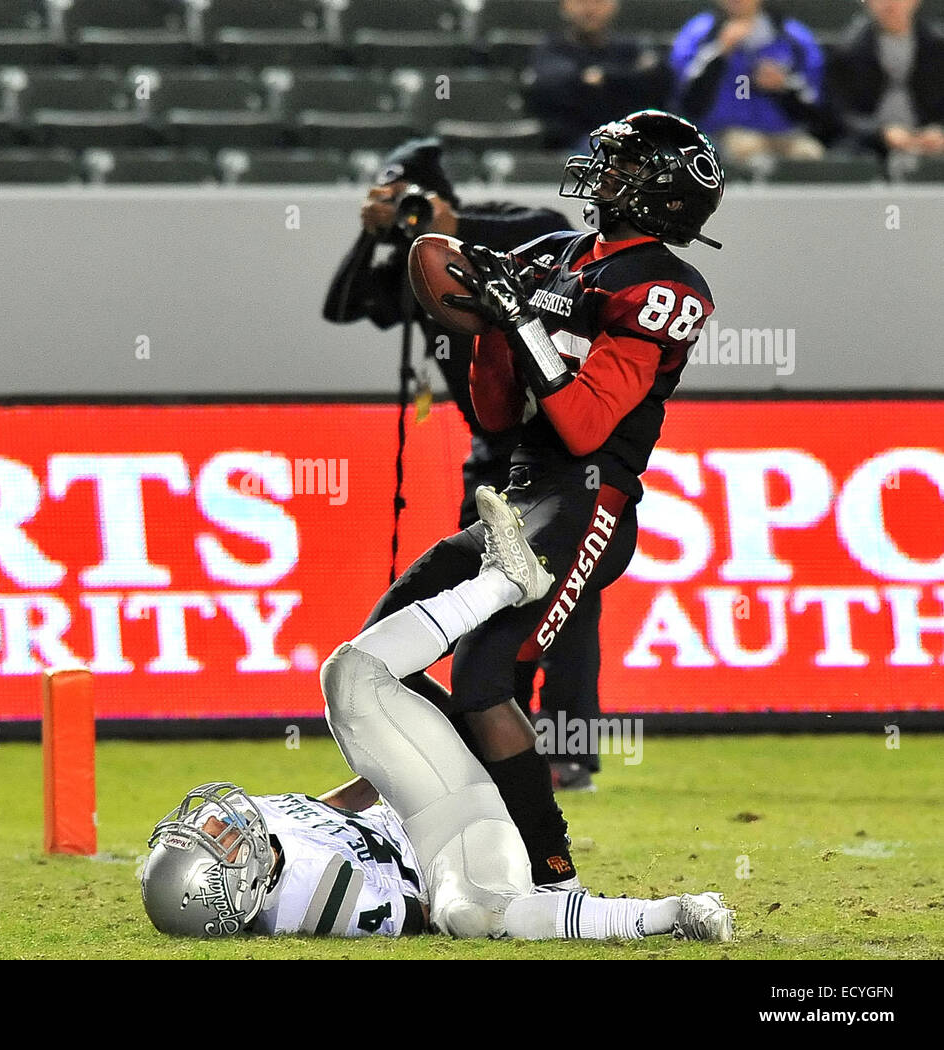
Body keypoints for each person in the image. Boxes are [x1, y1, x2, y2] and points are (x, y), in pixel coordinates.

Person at [350, 109, 724, 894]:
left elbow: (586, 428)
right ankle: (432, 802)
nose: (601, 172)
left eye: (621, 165)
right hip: (516, 499)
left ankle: (552, 878)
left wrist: (519, 315)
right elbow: (493, 413)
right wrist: (490, 325)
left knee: (486, 683)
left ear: (658, 194)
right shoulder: (555, 255)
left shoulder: (664, 286)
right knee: (376, 647)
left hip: (589, 507)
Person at [141, 493, 733, 941]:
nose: (222, 825)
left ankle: (503, 581)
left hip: (424, 794)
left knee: (349, 680)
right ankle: (666, 914)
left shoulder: (262, 834)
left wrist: (402, 757)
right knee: (474, 913)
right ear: (230, 893)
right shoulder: (304, 900)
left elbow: (338, 809)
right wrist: (491, 863)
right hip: (452, 835)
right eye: (216, 844)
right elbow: (420, 907)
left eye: (210, 828)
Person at [323, 138, 606, 792]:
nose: (414, 213)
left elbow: (556, 231)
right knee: (484, 600)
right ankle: (499, 744)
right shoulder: (413, 263)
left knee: (568, 599)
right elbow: (341, 307)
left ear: (444, 194)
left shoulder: (495, 233)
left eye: (416, 199)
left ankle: (574, 753)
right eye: (397, 203)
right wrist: (372, 238)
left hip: (557, 443)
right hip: (490, 455)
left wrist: (455, 229)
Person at [669, 0, 826, 163]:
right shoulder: (698, 33)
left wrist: (783, 85)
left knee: (809, 153)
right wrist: (720, 52)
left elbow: (813, 104)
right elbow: (686, 98)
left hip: (784, 133)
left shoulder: (792, 35)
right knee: (747, 149)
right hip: (721, 134)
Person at [523, 0, 672, 153]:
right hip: (574, 143)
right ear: (565, 5)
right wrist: (624, 80)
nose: (590, 8)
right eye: (581, 2)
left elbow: (657, 79)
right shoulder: (551, 51)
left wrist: (604, 77)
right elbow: (556, 86)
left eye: (598, 1)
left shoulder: (631, 48)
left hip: (635, 139)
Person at [825, 0, 944, 158]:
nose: (890, 3)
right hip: (865, 143)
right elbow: (840, 113)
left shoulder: (937, 46)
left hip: (928, 138)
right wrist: (880, 133)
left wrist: (938, 129)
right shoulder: (848, 49)